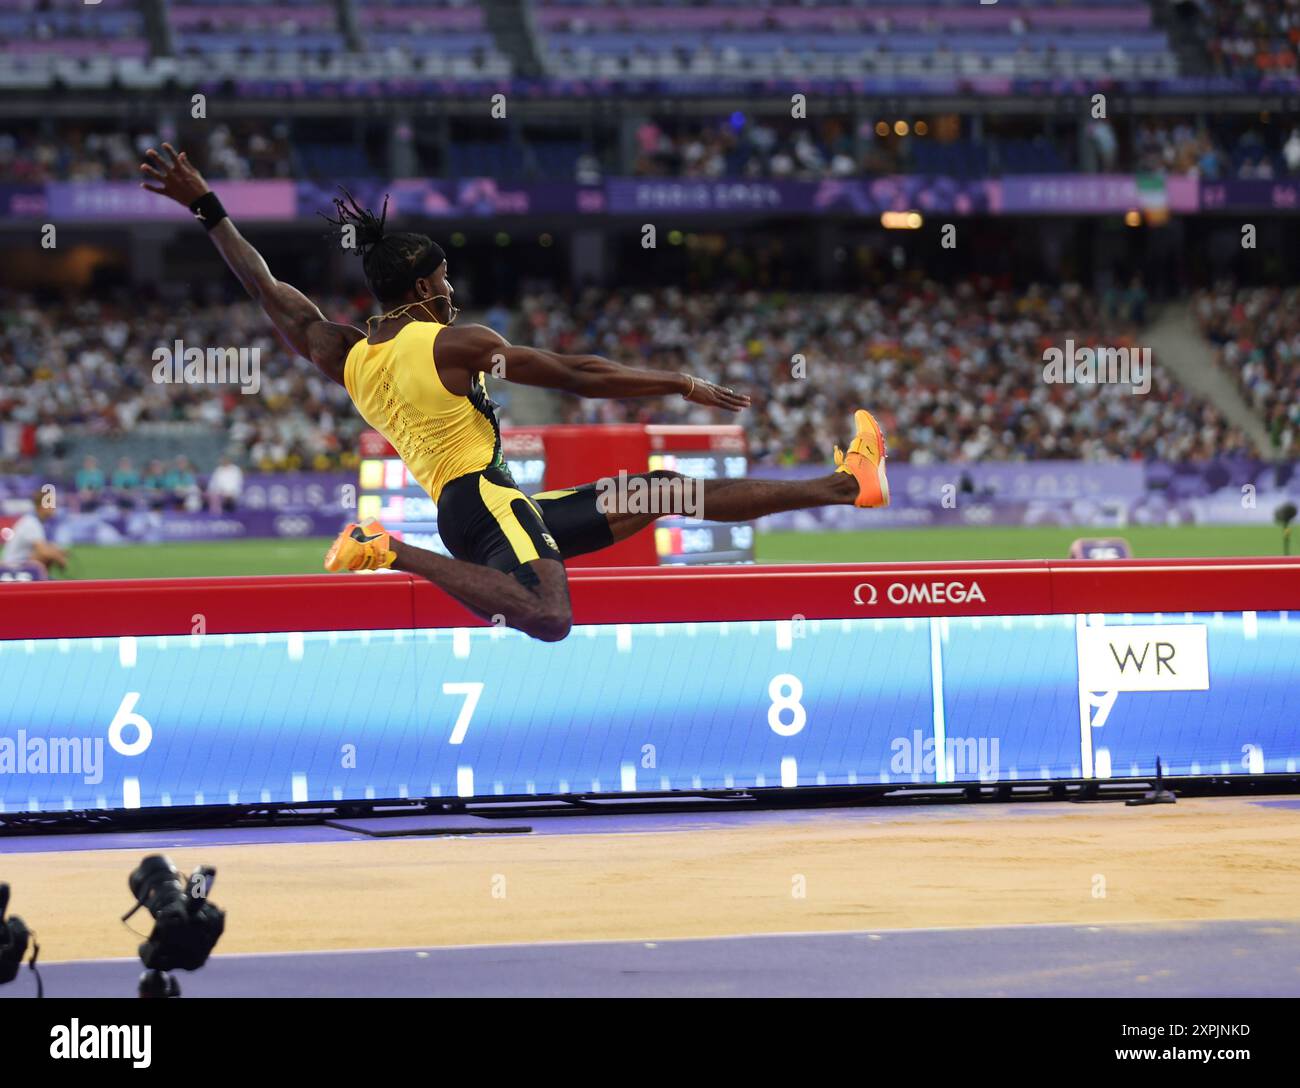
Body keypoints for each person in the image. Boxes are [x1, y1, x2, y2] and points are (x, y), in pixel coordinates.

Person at [139, 143, 889, 642]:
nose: (454, 291)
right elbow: (577, 374)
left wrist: (207, 208)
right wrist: (678, 382)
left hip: (483, 504)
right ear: (425, 287)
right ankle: (386, 549)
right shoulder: (453, 344)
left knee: (662, 491)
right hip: (486, 503)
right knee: (550, 617)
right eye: (447, 281)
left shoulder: (342, 352)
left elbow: (267, 289)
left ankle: (845, 484)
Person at [1, 492, 68, 575]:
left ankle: (44, 580)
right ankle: (43, 581)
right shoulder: (32, 523)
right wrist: (59, 557)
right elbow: (43, 551)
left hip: (15, 566)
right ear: (42, 506)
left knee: (50, 549)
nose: (54, 507)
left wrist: (57, 551)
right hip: (12, 569)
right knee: (45, 554)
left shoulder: (32, 520)